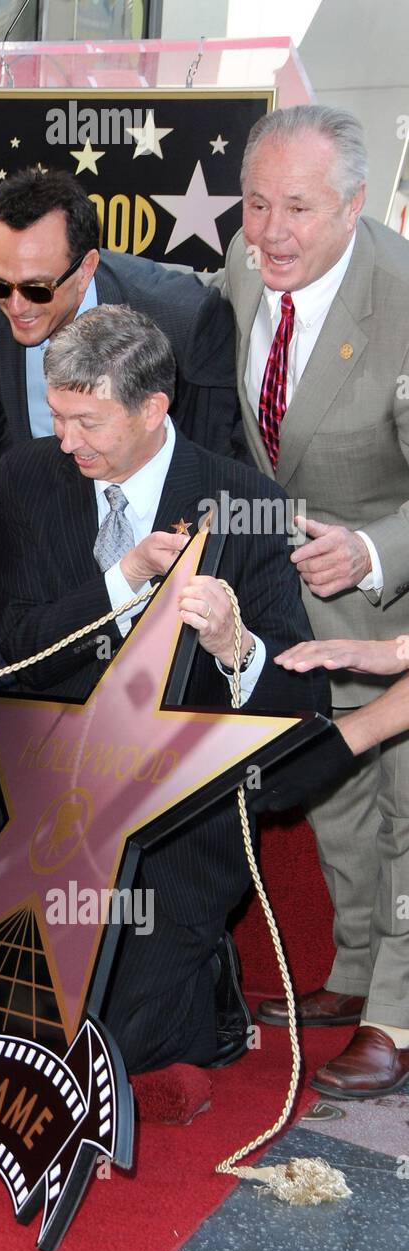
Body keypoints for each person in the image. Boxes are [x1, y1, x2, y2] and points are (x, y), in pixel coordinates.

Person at [0, 304, 328, 1074]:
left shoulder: (249, 504)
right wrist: (123, 581)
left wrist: (236, 647)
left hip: (176, 826)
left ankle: (202, 975)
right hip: (45, 805)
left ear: (153, 409)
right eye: (57, 417)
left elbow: (305, 699)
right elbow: (14, 650)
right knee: (16, 1037)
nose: (67, 440)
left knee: (110, 1051)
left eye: (89, 421)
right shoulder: (28, 474)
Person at [219, 104, 409, 1099]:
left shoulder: (402, 301)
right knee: (334, 788)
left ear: (352, 205)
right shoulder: (245, 266)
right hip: (299, 589)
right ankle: (351, 970)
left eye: (297, 206)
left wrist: (373, 549)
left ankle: (397, 1015)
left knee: (408, 806)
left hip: (395, 580)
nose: (270, 230)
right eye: (255, 203)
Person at [0, 167, 245, 459]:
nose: (16, 305)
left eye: (37, 289)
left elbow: (215, 451)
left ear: (85, 270)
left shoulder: (183, 321)